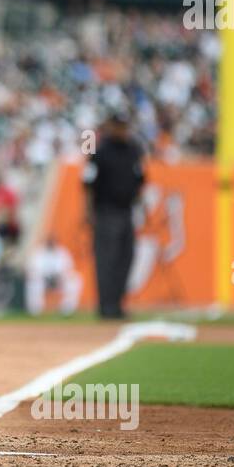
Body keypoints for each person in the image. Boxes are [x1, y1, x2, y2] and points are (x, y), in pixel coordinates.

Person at [83, 109, 145, 319]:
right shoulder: (99, 152)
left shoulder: (134, 150)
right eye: (118, 126)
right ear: (110, 126)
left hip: (127, 211)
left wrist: (140, 204)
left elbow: (141, 179)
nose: (122, 130)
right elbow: (88, 183)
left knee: (125, 259)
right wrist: (88, 211)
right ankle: (106, 306)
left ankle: (118, 304)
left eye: (124, 126)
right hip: (105, 212)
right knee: (106, 260)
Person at [25, 236, 82, 316]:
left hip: (59, 280)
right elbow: (32, 270)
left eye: (53, 241)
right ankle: (35, 311)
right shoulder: (39, 252)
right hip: (43, 280)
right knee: (33, 281)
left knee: (75, 279)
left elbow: (69, 269)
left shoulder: (62, 252)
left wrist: (61, 277)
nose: (51, 244)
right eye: (49, 242)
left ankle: (67, 310)